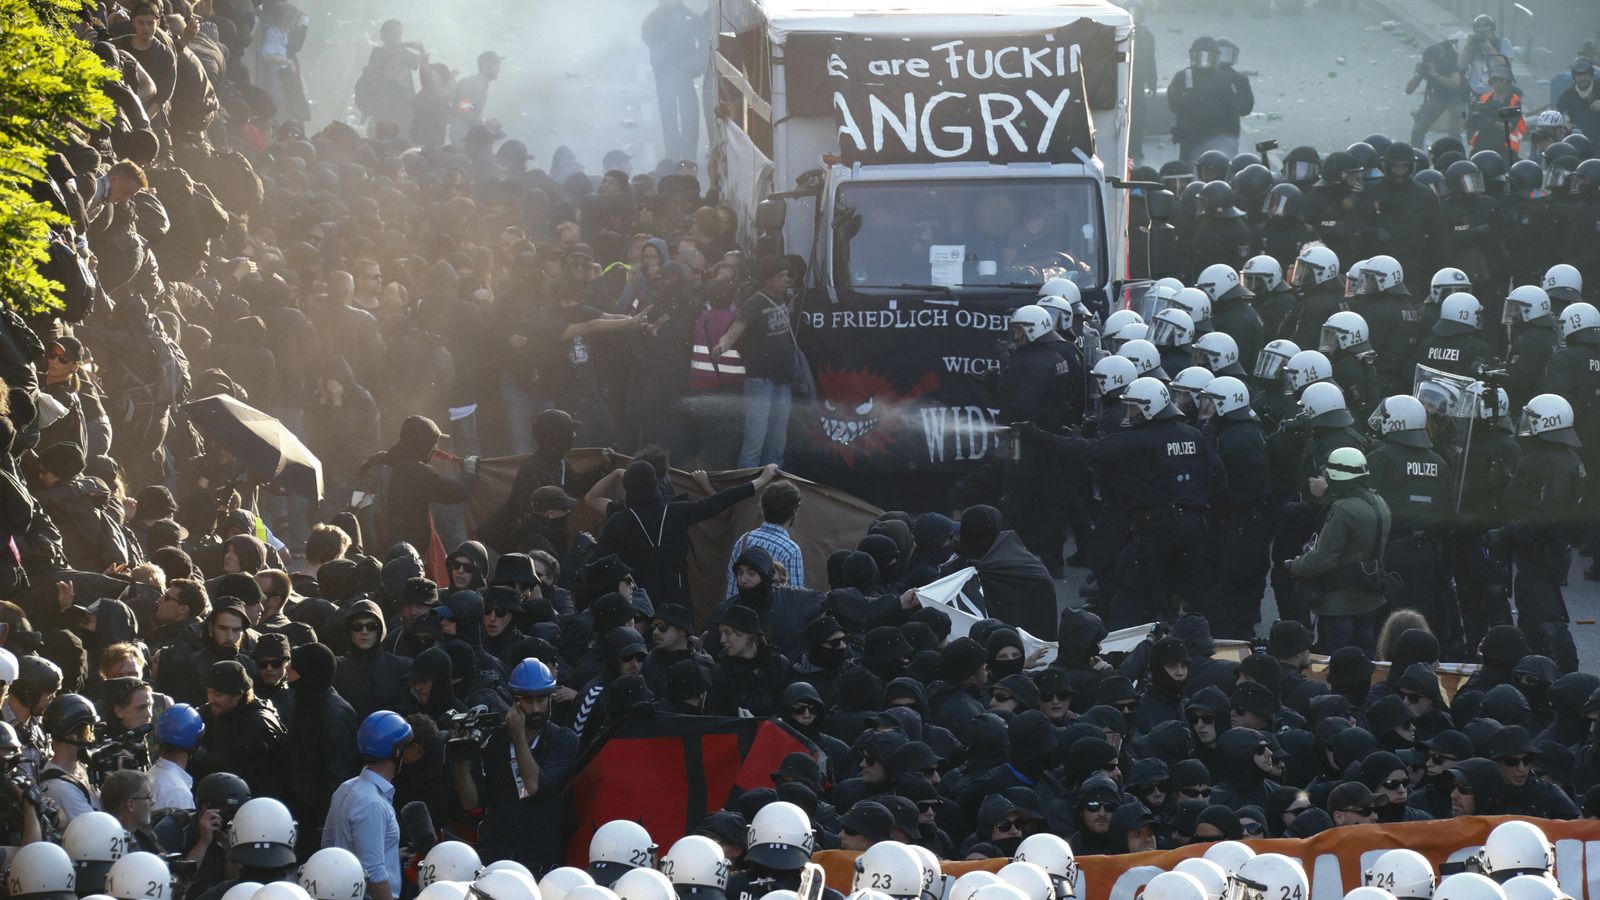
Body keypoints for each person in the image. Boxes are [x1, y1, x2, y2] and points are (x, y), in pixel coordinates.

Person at [456, 658, 578, 871]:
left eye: (541, 699)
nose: (536, 707)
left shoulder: (563, 739)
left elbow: (534, 785)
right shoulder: (496, 739)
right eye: (528, 701)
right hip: (495, 855)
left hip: (538, 859)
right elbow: (470, 802)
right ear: (515, 700)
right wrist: (459, 760)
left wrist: (518, 736)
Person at [1286, 447, 1392, 654]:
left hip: (1339, 602)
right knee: (1366, 659)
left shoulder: (1343, 510)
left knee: (1337, 661)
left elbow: (1324, 559)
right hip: (1370, 598)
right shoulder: (1378, 502)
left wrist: (1295, 564)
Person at [713, 257, 797, 468]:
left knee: (777, 443)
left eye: (788, 275)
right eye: (781, 275)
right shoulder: (754, 302)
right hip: (761, 381)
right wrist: (721, 347)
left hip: (783, 380)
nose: (787, 279)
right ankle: (746, 488)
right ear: (768, 280)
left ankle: (773, 489)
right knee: (755, 441)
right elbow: (733, 332)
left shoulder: (782, 299)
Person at [324, 711, 410, 900]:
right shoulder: (373, 804)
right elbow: (374, 873)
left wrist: (392, 854)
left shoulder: (346, 788)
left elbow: (329, 843)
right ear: (396, 751)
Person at [641, 0, 705, 163]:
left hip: (683, 74)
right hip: (665, 74)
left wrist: (693, 65)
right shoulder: (656, 17)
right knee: (669, 117)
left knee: (689, 117)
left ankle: (688, 158)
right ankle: (672, 156)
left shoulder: (689, 16)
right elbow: (648, 37)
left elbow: (703, 43)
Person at [1168, 37, 1253, 161]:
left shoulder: (1224, 78)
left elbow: (1234, 110)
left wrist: (1231, 139)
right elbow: (1174, 104)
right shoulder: (1184, 76)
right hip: (1192, 138)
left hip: (1215, 138)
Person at [725, 480, 804, 595]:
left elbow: (732, 582)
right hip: (768, 613)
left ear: (762, 508)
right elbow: (795, 598)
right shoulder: (790, 550)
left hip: (736, 611)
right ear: (795, 512)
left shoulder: (744, 540)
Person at [1407, 40, 1465, 147]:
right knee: (1418, 129)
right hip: (1439, 97)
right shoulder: (1427, 68)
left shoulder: (1448, 65)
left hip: (1455, 98)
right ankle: (1417, 154)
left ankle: (1457, 155)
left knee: (1454, 130)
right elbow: (1408, 90)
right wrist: (1417, 74)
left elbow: (1455, 84)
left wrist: (1435, 75)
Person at [449, 51, 502, 141]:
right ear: (484, 66)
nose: (498, 69)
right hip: (460, 136)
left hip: (463, 134)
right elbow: (463, 109)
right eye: (495, 65)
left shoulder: (480, 84)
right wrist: (485, 122)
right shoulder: (476, 84)